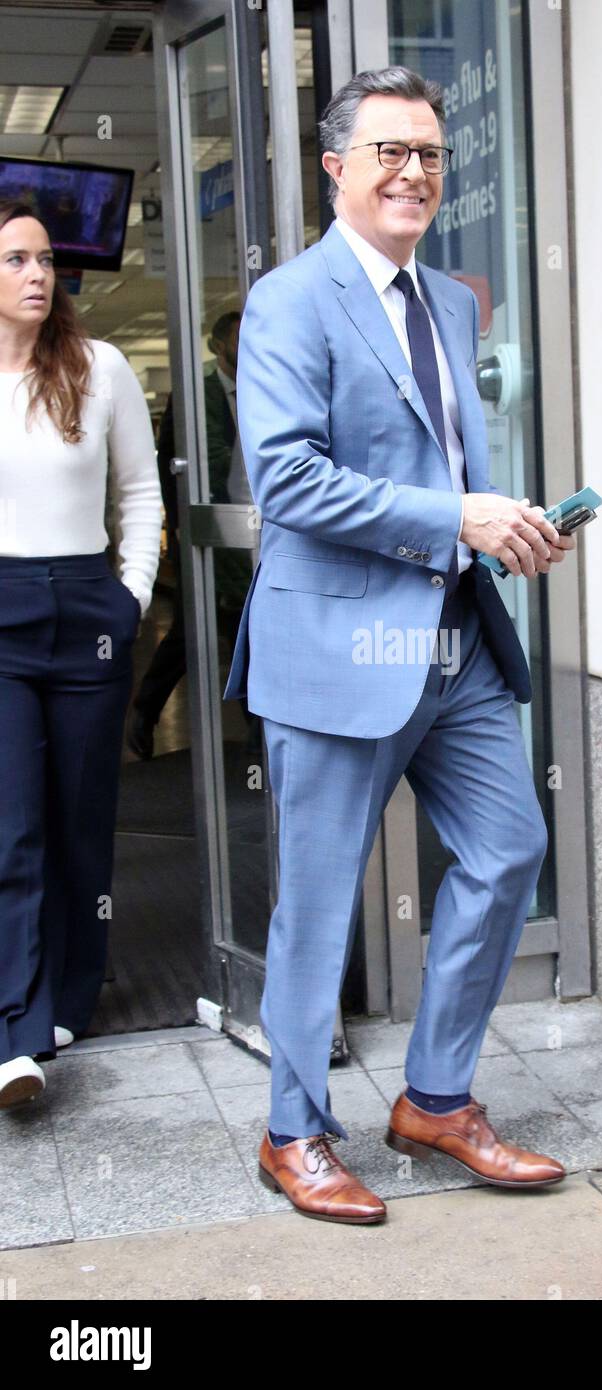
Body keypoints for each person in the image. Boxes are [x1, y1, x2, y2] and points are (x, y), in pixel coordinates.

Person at [224, 67, 577, 1224]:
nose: (414, 171)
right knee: (319, 899)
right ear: (336, 168)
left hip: (453, 638)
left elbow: (443, 466)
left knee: (509, 848)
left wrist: (507, 524)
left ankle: (433, 1096)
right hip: (338, 641)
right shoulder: (289, 300)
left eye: (429, 152)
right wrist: (453, 518)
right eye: (390, 151)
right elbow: (288, 480)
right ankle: (291, 1131)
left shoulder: (454, 304)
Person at [0, 199, 161, 1107]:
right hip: (3, 610)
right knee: (13, 824)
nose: (37, 274)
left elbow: (140, 493)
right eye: (16, 259)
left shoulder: (99, 368)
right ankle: (15, 1030)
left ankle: (69, 996)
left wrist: (129, 596)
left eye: (44, 259)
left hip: (86, 603)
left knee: (80, 817)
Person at [127, 310, 253, 758]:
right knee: (201, 629)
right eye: (239, 337)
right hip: (209, 529)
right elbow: (176, 463)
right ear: (218, 347)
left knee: (234, 627)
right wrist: (180, 526)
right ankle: (145, 711)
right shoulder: (198, 394)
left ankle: (258, 737)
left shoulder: (263, 386)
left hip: (248, 530)